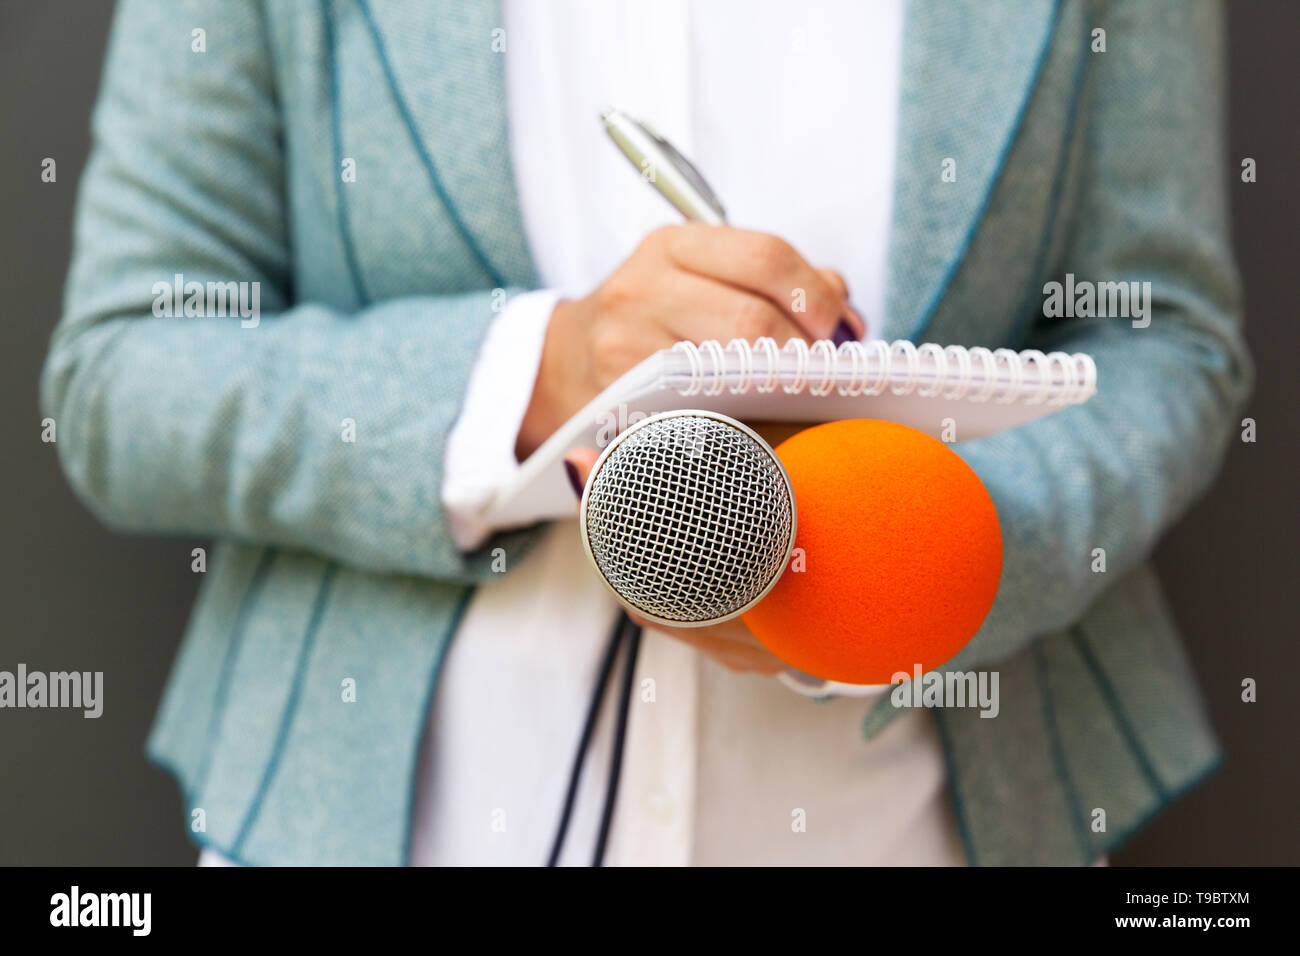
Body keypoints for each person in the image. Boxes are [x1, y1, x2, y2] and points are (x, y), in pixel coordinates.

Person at [42, 0, 1251, 865]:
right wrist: (541, 370)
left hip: (923, 823)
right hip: (372, 820)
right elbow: (120, 373)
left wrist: (909, 558)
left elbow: (1167, 336)